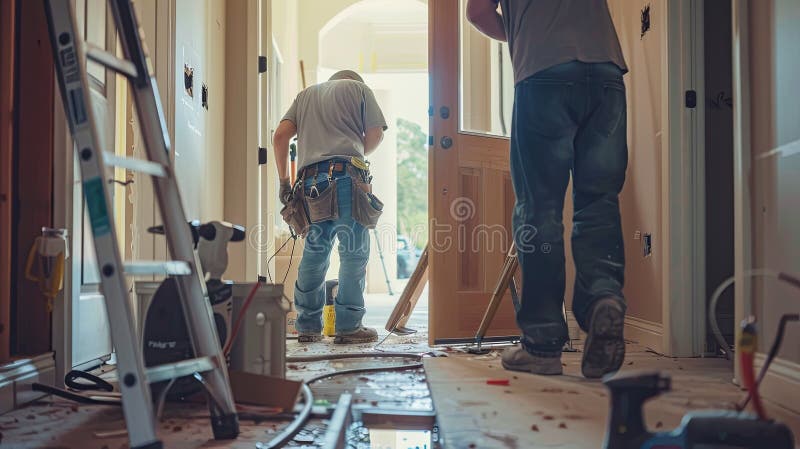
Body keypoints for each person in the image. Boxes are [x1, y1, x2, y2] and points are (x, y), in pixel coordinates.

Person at [467, 0, 629, 378]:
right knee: (599, 202)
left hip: (543, 70)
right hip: (606, 71)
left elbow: (477, 12)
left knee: (539, 210)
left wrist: (522, 33)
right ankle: (604, 296)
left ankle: (542, 344)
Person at [272, 70, 387, 344]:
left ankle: (308, 326)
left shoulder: (305, 95)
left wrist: (284, 182)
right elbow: (376, 134)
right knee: (353, 253)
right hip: (348, 176)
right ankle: (348, 327)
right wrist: (356, 150)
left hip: (310, 182)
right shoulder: (360, 90)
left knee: (315, 251)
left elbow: (279, 137)